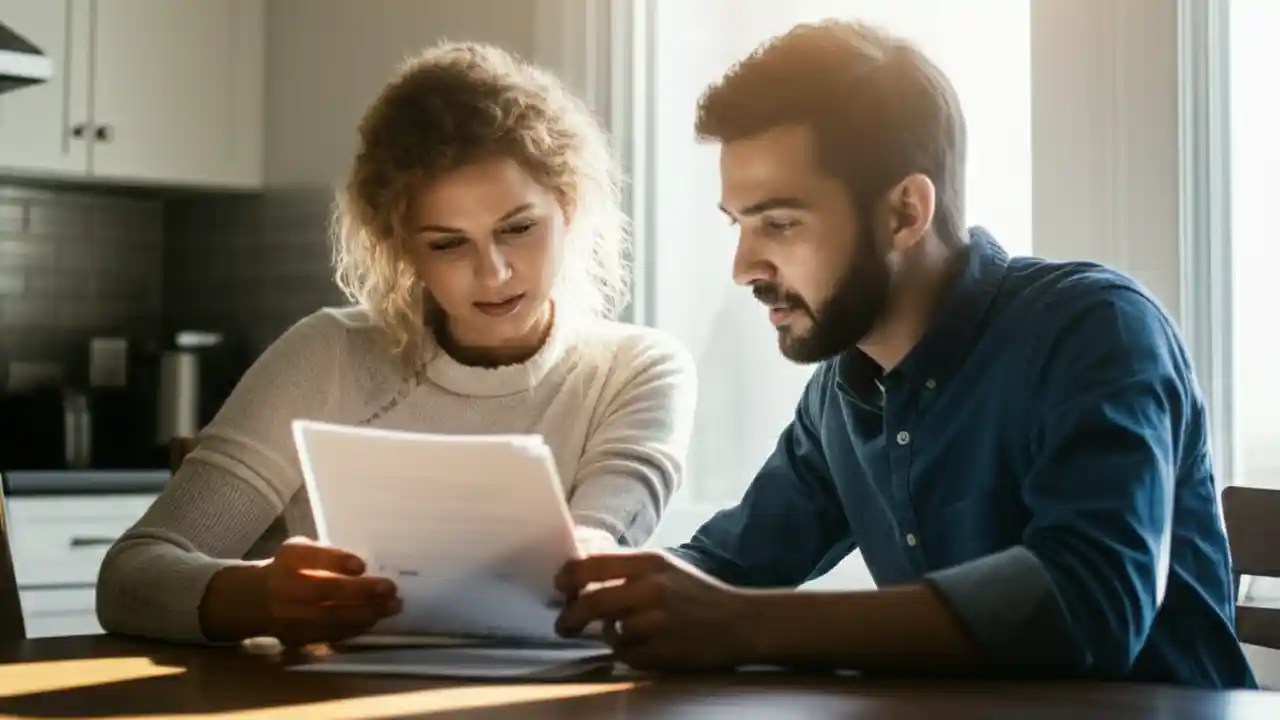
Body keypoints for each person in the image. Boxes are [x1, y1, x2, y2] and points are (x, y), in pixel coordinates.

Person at [554, 21, 1256, 689]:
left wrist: (743, 625)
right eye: (738, 225)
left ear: (904, 213)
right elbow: (727, 567)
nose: (742, 265)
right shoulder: (846, 387)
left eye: (780, 222)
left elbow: (1092, 600)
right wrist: (560, 596)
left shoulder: (1095, 330)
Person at [97, 42, 696, 646]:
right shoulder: (327, 354)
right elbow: (128, 576)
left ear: (567, 207)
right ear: (402, 246)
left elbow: (596, 553)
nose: (493, 274)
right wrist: (258, 597)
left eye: (518, 229)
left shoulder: (638, 369)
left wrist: (583, 567)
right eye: (446, 243)